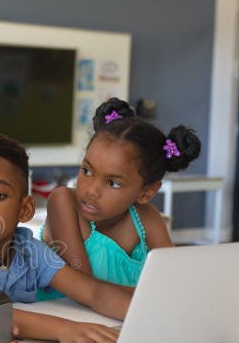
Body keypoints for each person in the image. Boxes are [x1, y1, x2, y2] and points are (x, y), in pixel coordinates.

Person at [0, 132, 132, 343]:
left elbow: (93, 293)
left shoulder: (29, 250)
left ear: (25, 209)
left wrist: (148, 317)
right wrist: (65, 329)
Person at [41, 98, 201, 287]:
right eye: (87, 171)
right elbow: (86, 288)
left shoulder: (147, 220)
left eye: (113, 183)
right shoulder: (63, 202)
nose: (91, 190)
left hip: (129, 308)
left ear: (147, 192)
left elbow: (172, 281)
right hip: (60, 307)